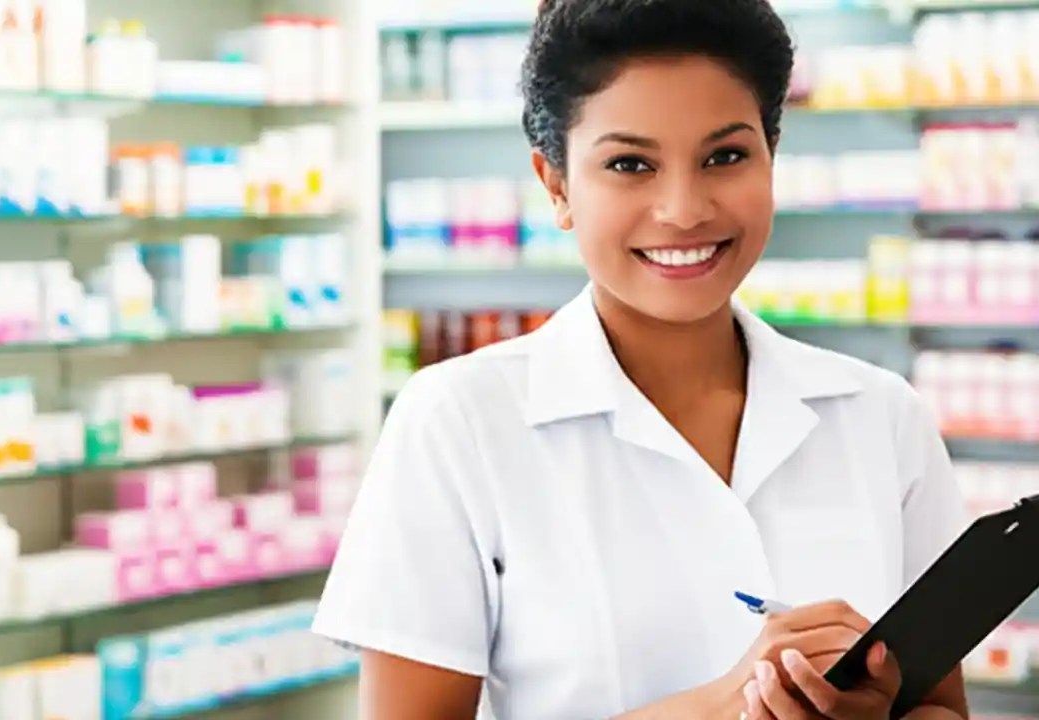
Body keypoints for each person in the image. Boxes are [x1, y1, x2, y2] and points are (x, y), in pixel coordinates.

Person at [313, 0, 971, 718]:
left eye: (726, 156)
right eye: (630, 164)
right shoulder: (457, 424)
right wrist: (722, 706)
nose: (684, 209)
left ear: (771, 158)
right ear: (557, 185)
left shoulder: (881, 417)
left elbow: (939, 708)